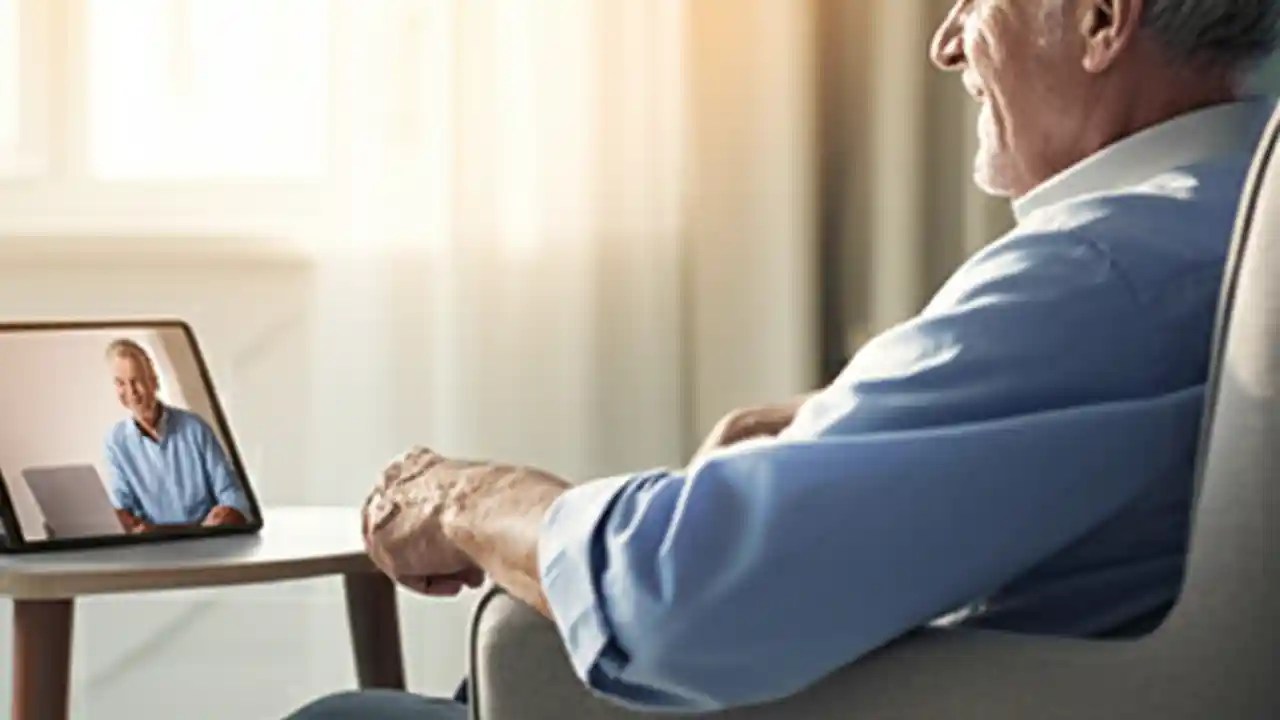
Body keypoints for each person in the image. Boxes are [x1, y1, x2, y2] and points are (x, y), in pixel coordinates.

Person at [290, 1, 1280, 718]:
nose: (943, 42)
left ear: (1101, 18)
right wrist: (850, 432)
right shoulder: (1218, 228)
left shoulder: (1097, 270)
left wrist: (471, 499)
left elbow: (676, 597)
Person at [103, 338, 251, 533]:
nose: (131, 392)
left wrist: (228, 511)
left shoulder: (195, 428)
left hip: (205, 539)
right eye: (120, 383)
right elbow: (124, 507)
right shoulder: (115, 442)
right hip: (154, 548)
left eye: (136, 381)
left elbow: (231, 493)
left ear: (153, 381)